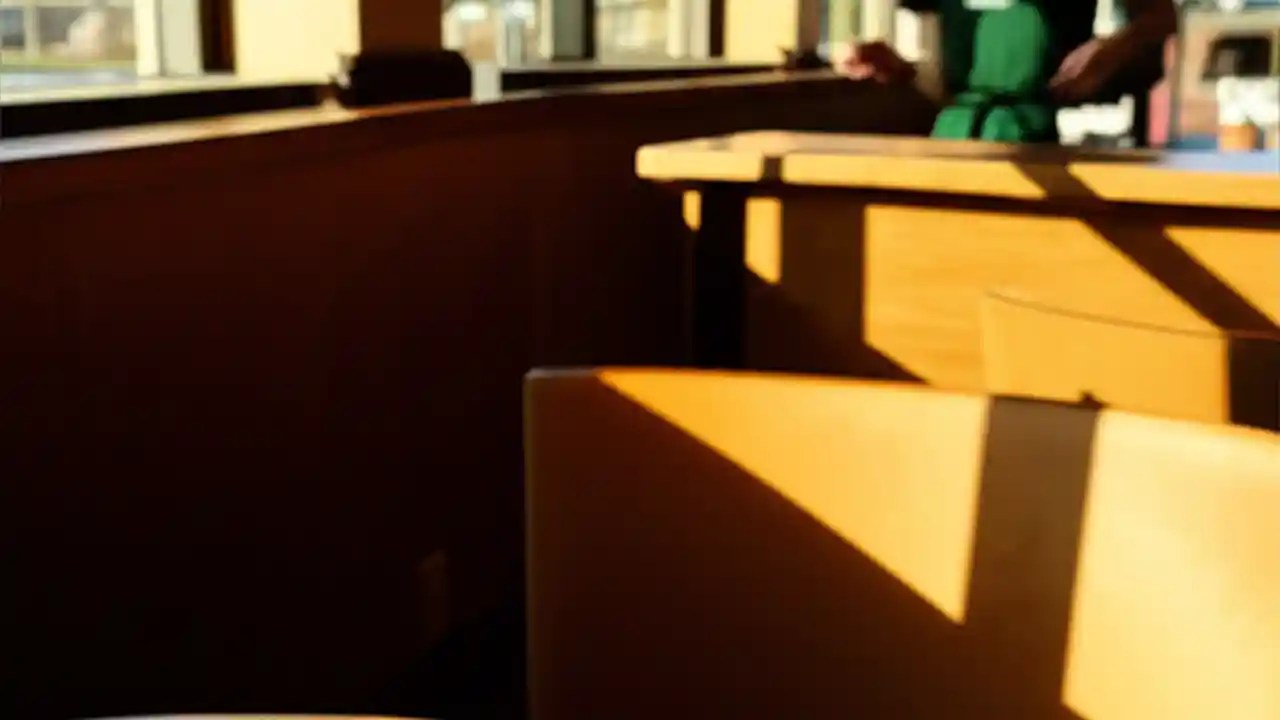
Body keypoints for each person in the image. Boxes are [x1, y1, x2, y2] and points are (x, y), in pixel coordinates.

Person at [837, 0, 1178, 142]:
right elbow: (940, 80)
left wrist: (1109, 51)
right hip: (950, 141)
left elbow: (1161, 18)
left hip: (1040, 144)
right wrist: (901, 69)